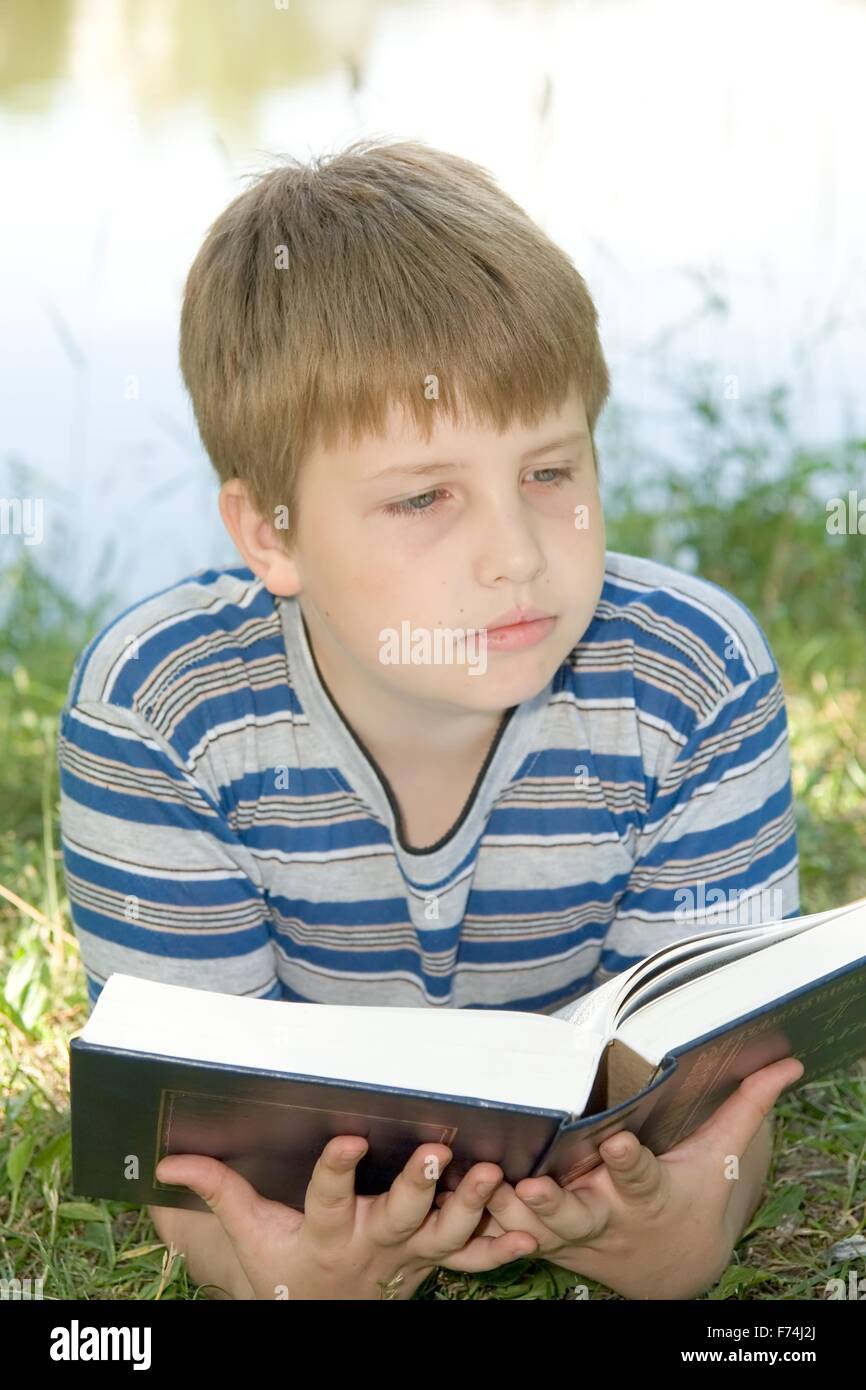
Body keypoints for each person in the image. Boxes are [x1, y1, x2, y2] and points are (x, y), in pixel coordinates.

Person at [57, 137, 803, 1300]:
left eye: (549, 473)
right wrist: (278, 1274)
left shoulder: (692, 679)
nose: (515, 555)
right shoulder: (161, 713)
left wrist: (679, 1231)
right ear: (268, 535)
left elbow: (715, 1092)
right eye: (421, 497)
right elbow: (185, 1128)